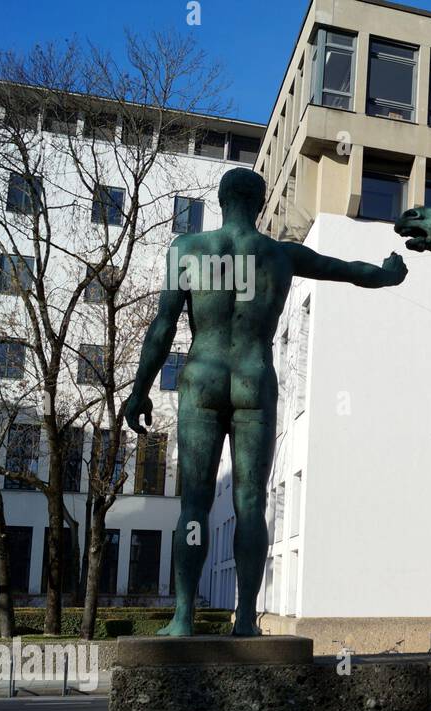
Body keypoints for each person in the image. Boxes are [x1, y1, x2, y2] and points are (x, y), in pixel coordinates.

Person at [123, 168, 407, 636]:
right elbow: (346, 271)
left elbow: (163, 327)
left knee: (194, 506)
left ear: (220, 200)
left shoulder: (189, 250)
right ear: (259, 204)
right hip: (254, 379)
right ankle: (247, 619)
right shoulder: (279, 254)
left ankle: (182, 618)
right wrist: (387, 274)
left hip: (204, 379)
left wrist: (139, 388)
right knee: (251, 503)